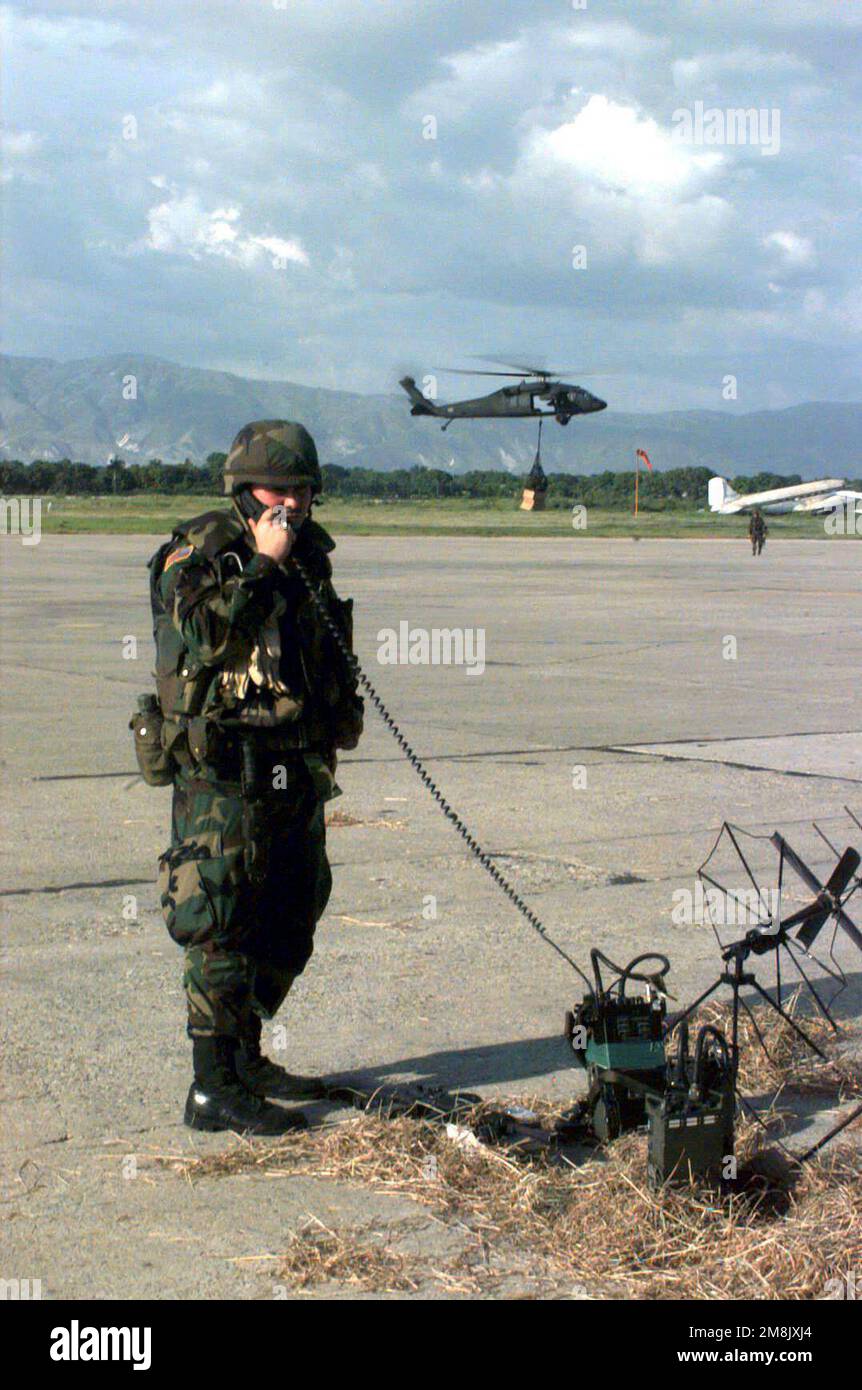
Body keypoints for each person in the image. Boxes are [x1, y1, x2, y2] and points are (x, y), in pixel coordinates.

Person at [151, 421, 364, 1134]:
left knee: (293, 909)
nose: (294, 503)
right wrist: (263, 567)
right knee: (219, 918)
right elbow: (204, 639)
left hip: (292, 768)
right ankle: (211, 1087)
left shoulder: (311, 555)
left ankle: (245, 1058)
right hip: (225, 773)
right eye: (280, 489)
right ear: (243, 490)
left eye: (304, 489)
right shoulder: (201, 552)